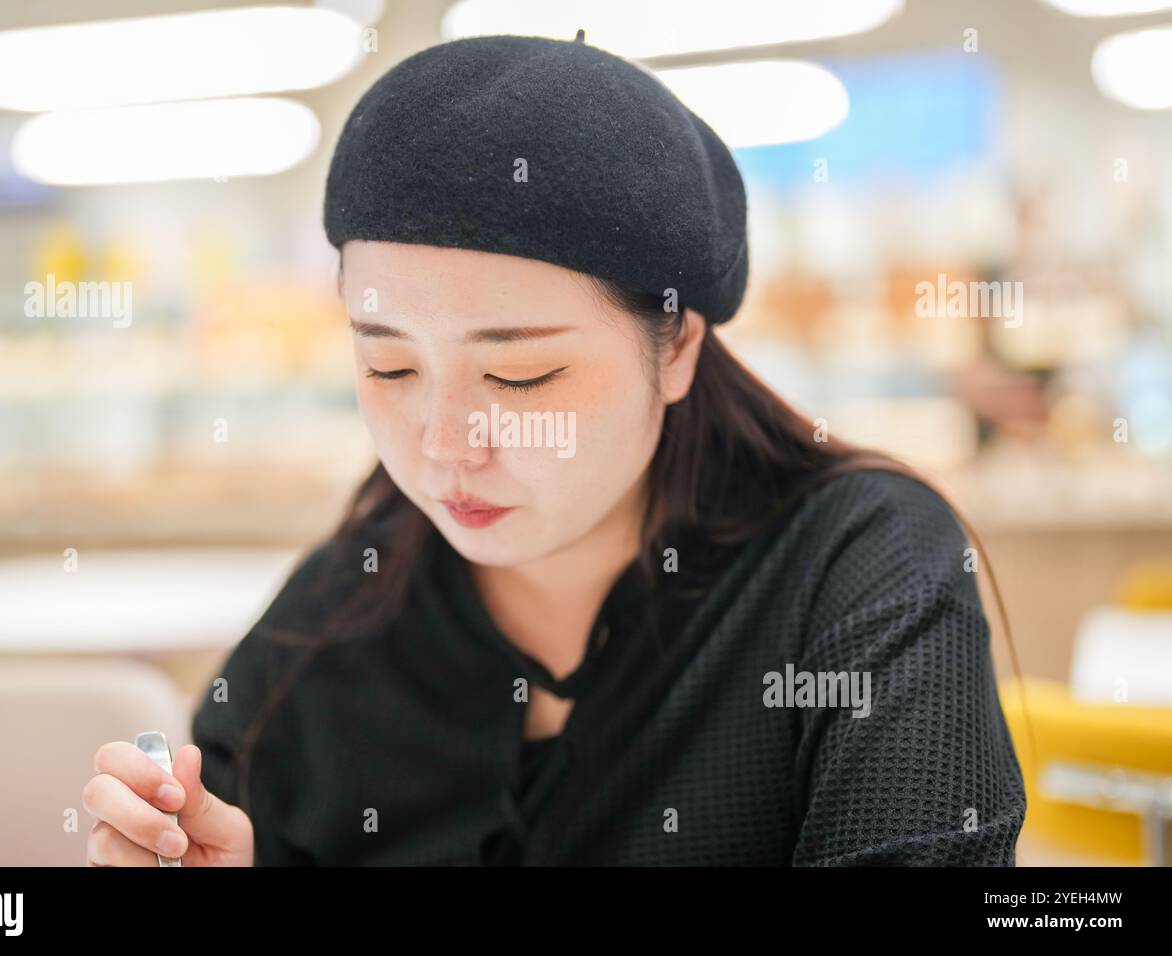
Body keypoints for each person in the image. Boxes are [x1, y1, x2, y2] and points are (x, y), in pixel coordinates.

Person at [83, 33, 1027, 867]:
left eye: (520, 377)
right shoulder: (344, 606)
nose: (446, 446)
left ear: (678, 345)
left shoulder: (857, 572)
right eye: (389, 369)